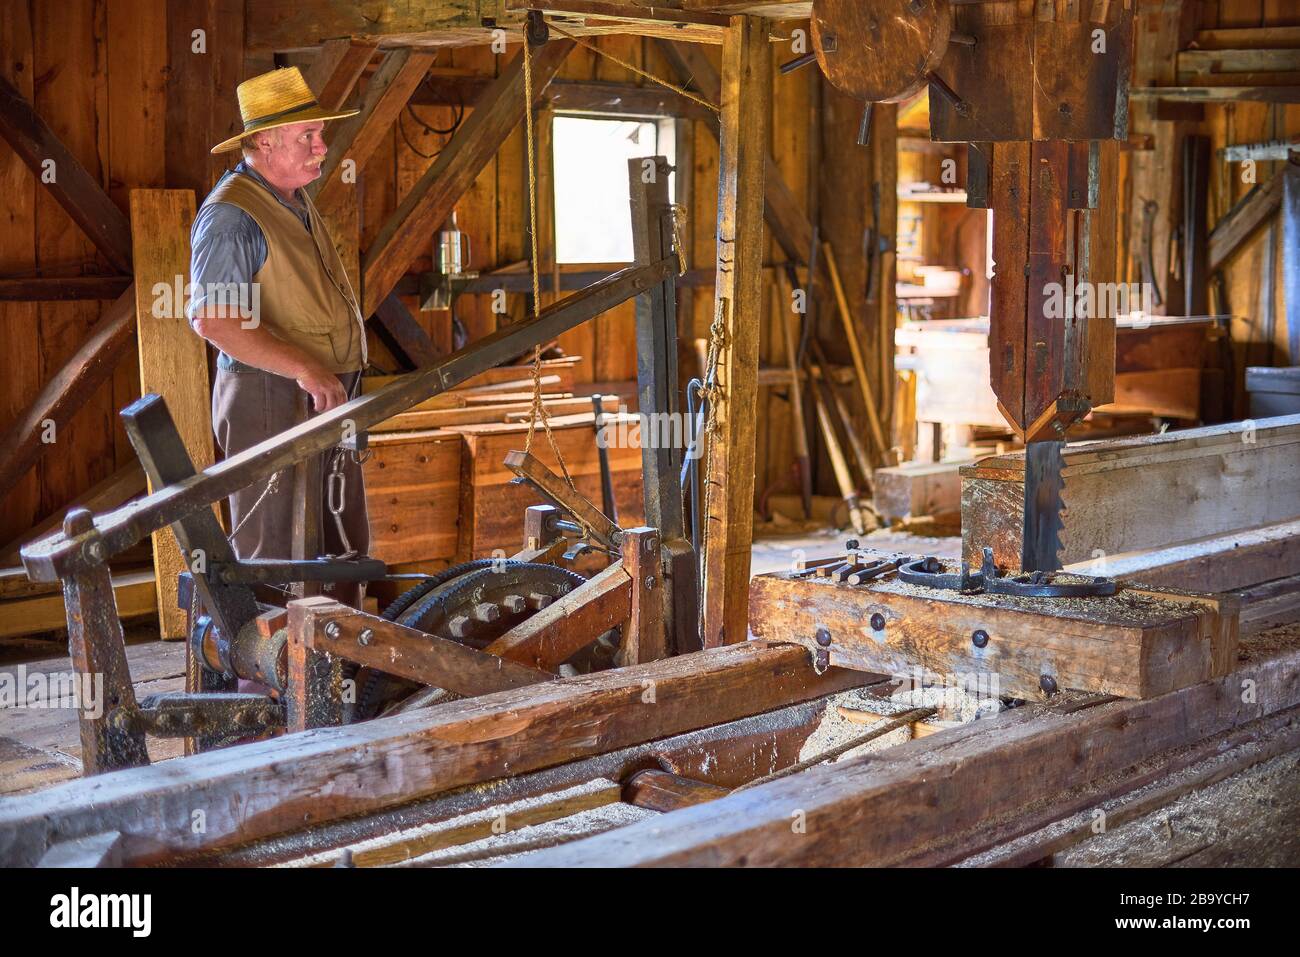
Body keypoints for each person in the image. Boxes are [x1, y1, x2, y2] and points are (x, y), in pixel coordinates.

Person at [188, 66, 370, 607]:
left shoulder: (291, 197)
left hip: (318, 393)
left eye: (320, 134)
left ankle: (337, 664)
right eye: (308, 137)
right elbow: (215, 320)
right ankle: (267, 677)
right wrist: (306, 369)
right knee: (274, 547)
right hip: (270, 396)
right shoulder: (231, 216)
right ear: (263, 142)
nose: (322, 147)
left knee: (334, 536)